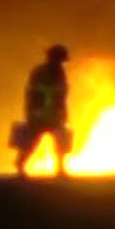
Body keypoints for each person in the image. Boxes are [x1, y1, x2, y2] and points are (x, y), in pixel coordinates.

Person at [11, 44, 73, 178]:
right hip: (39, 115)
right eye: (60, 59)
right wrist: (30, 112)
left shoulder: (60, 73)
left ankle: (60, 168)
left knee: (60, 141)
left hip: (54, 115)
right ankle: (20, 165)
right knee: (31, 142)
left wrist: (63, 112)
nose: (61, 63)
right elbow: (31, 93)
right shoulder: (39, 72)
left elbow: (62, 95)